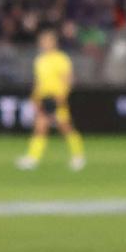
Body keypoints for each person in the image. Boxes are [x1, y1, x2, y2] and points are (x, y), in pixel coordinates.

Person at [16, 28, 85, 171]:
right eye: (42, 41)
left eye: (47, 41)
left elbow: (68, 80)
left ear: (54, 43)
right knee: (40, 128)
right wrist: (34, 97)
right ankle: (32, 158)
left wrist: (62, 97)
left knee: (65, 127)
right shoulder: (40, 60)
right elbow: (39, 82)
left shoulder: (61, 59)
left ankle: (78, 156)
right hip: (44, 98)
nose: (44, 44)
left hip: (57, 98)